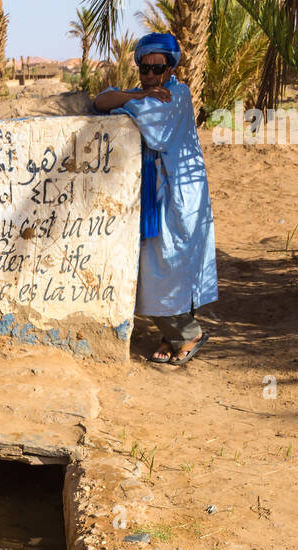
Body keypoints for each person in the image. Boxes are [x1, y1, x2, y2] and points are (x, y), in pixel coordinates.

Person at [92, 33, 217, 365]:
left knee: (166, 270)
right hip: (155, 196)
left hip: (177, 197)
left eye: (156, 69)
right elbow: (100, 101)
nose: (149, 76)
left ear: (171, 68)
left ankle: (188, 334)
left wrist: (133, 98)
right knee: (157, 269)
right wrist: (138, 94)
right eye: (144, 70)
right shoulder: (148, 93)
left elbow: (151, 124)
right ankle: (171, 334)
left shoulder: (178, 94)